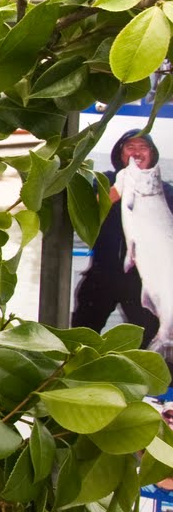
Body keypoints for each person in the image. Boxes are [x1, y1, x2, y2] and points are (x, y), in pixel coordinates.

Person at [73, 130, 173, 354]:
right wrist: (118, 189)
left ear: (152, 155)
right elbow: (88, 211)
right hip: (102, 275)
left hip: (141, 279)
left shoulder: (165, 191)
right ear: (120, 153)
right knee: (82, 335)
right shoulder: (105, 180)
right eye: (130, 147)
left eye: (143, 148)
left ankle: (155, 378)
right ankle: (75, 375)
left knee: (147, 336)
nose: (137, 152)